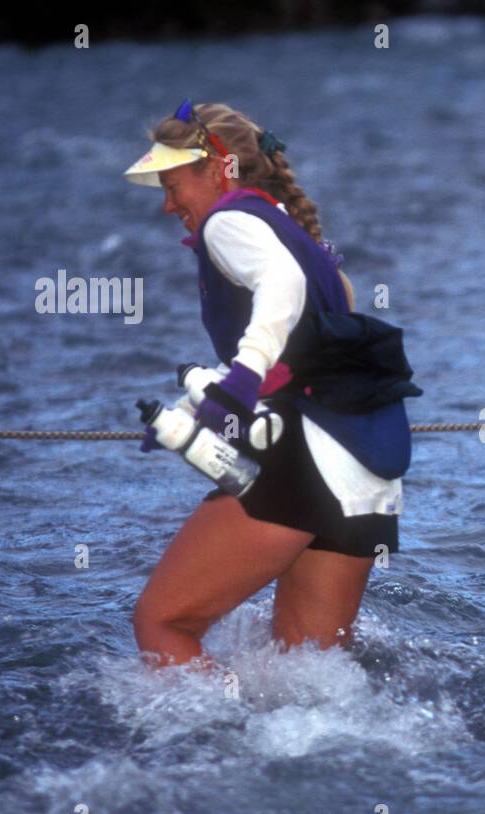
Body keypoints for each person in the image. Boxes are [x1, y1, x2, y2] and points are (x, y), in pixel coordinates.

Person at [123, 99, 421, 666]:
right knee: (304, 682)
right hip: (366, 479)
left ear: (217, 169)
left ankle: (209, 751)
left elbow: (280, 284)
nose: (167, 205)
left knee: (162, 622)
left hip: (307, 464)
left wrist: (239, 380)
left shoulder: (227, 221)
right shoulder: (287, 229)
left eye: (173, 185)